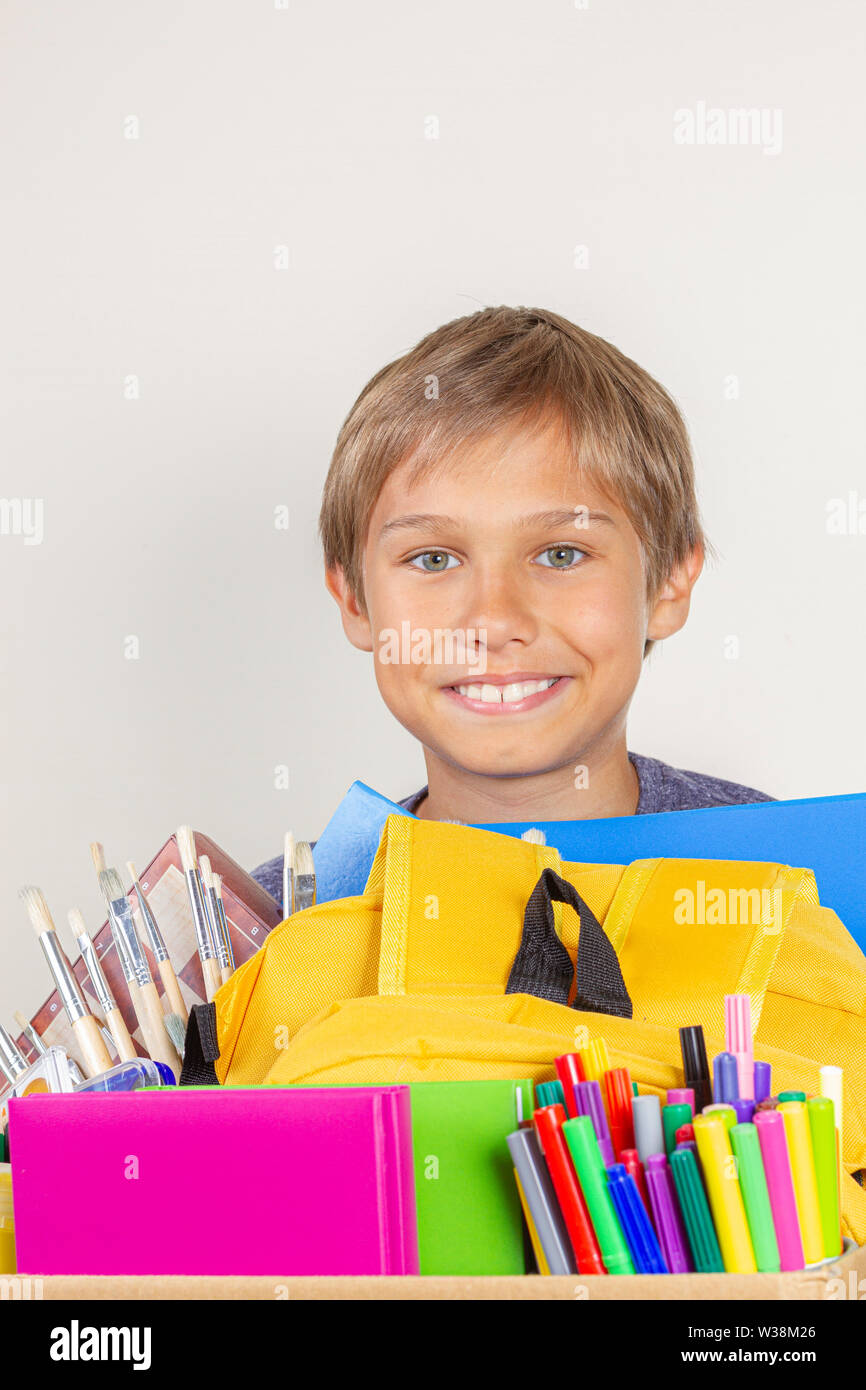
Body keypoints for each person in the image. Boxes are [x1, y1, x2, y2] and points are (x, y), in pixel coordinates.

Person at [252, 305, 772, 901]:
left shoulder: (796, 881)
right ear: (354, 600)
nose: (494, 622)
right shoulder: (266, 935)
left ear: (670, 582)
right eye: (434, 559)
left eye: (560, 555)